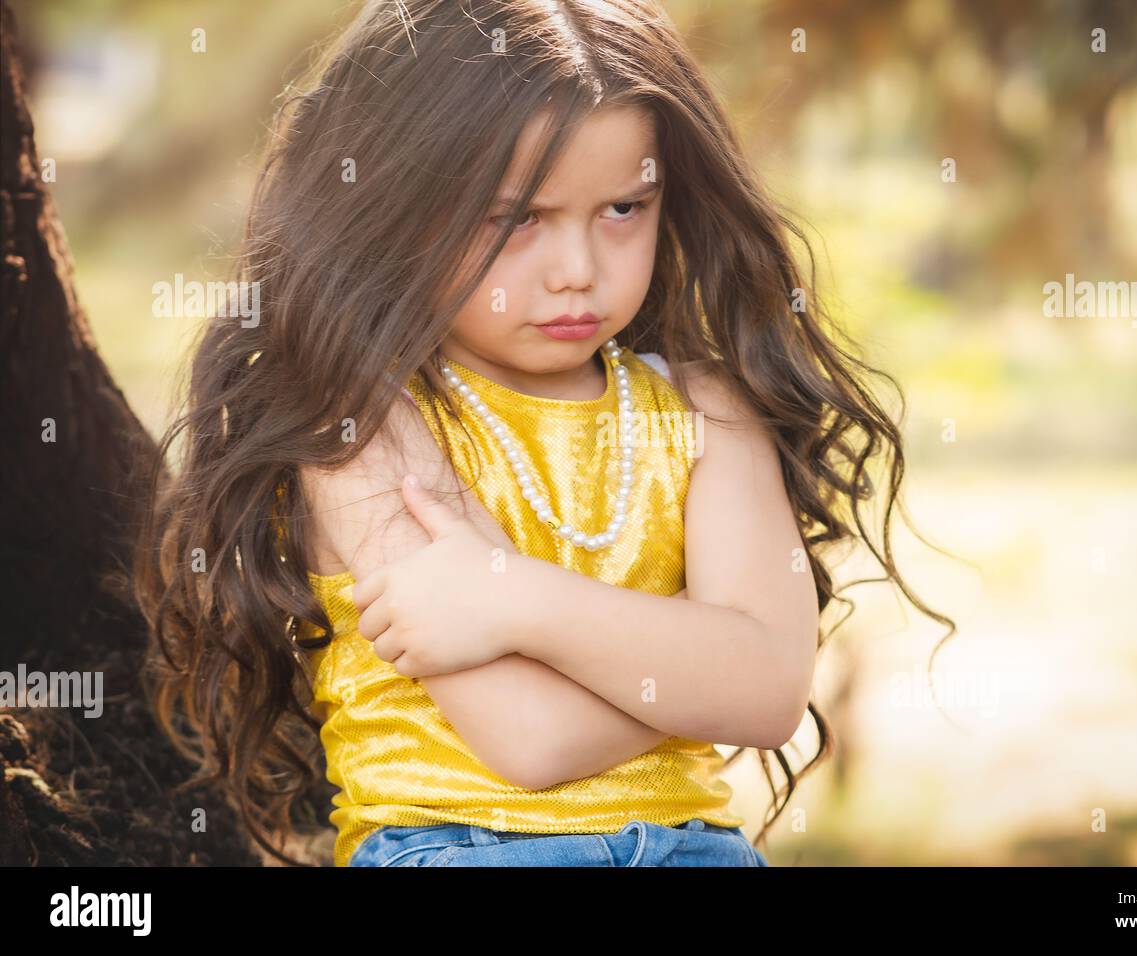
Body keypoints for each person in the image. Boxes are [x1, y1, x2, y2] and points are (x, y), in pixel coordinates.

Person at [134, 0, 951, 868]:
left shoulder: (710, 409)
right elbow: (530, 740)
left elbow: (769, 695)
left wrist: (509, 593)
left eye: (624, 209)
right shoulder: (361, 424)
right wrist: (700, 662)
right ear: (402, 204)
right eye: (518, 217)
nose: (578, 272)